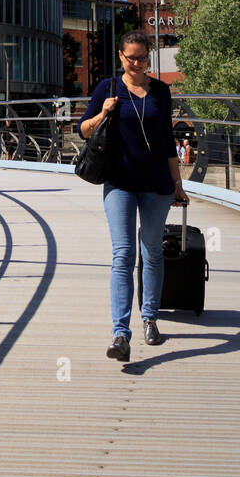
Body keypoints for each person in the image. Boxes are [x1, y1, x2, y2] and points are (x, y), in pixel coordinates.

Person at [78, 30, 189, 362]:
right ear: (121, 56)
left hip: (156, 185)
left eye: (142, 57)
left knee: (152, 252)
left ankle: (150, 317)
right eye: (131, 58)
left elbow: (169, 141)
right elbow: (84, 128)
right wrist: (104, 112)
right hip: (119, 183)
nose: (137, 63)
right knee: (123, 254)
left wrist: (178, 184)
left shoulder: (161, 92)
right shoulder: (107, 89)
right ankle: (120, 333)